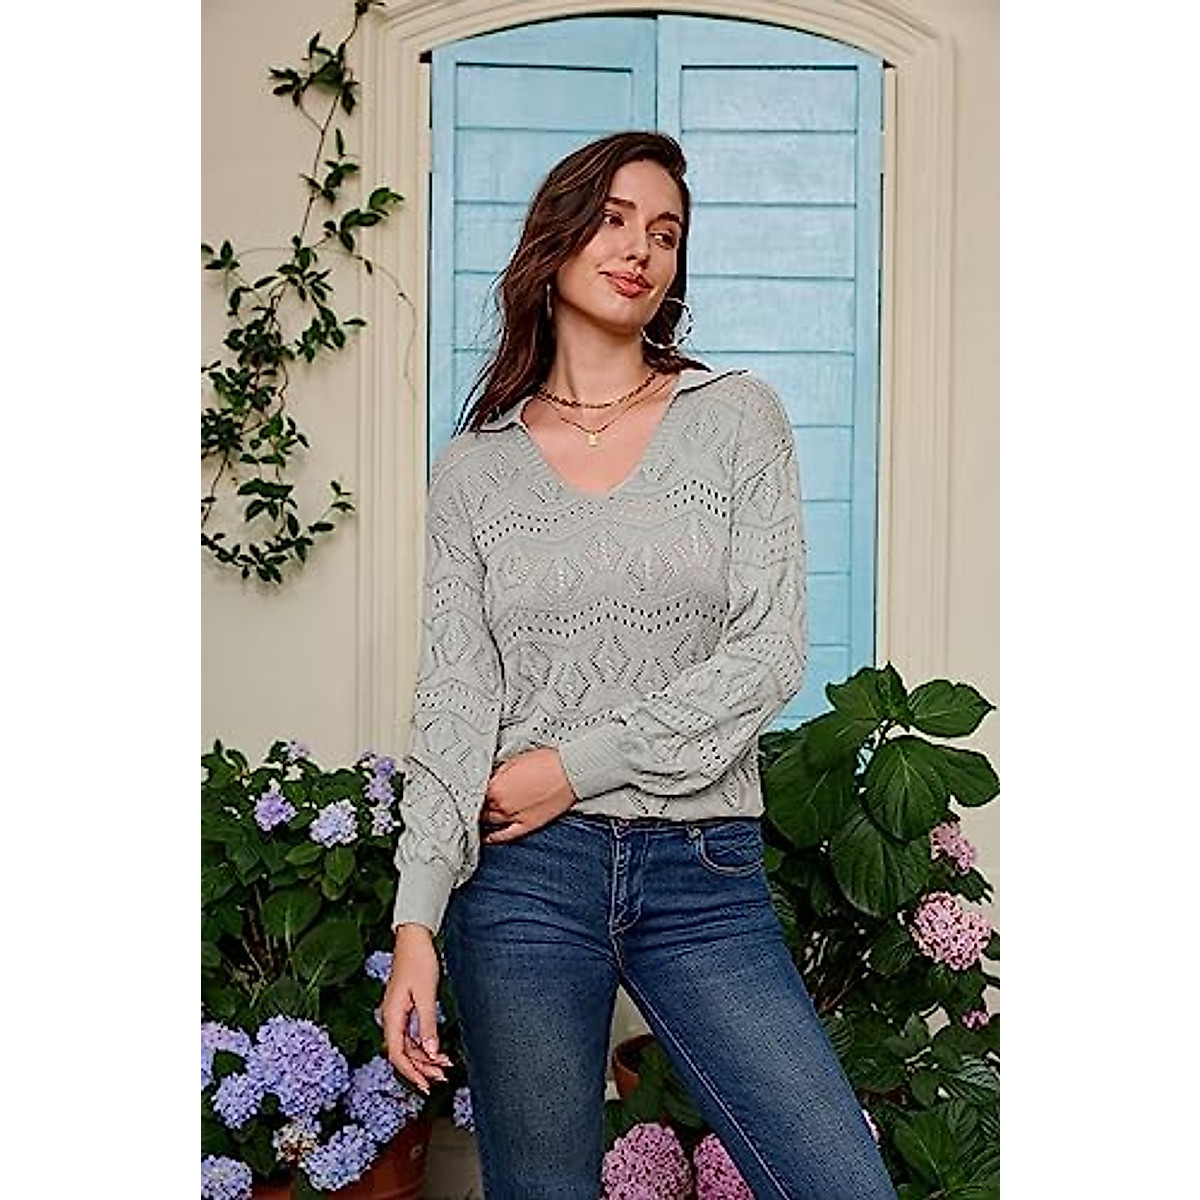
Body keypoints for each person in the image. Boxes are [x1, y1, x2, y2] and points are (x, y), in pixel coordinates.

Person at [381, 130, 897, 1199]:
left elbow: (769, 650)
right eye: (614, 220)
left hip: (701, 867)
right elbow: (454, 698)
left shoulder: (737, 417)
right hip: (523, 877)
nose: (641, 250)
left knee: (838, 1181)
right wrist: (417, 920)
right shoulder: (474, 471)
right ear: (557, 237)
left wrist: (574, 768)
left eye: (665, 233)